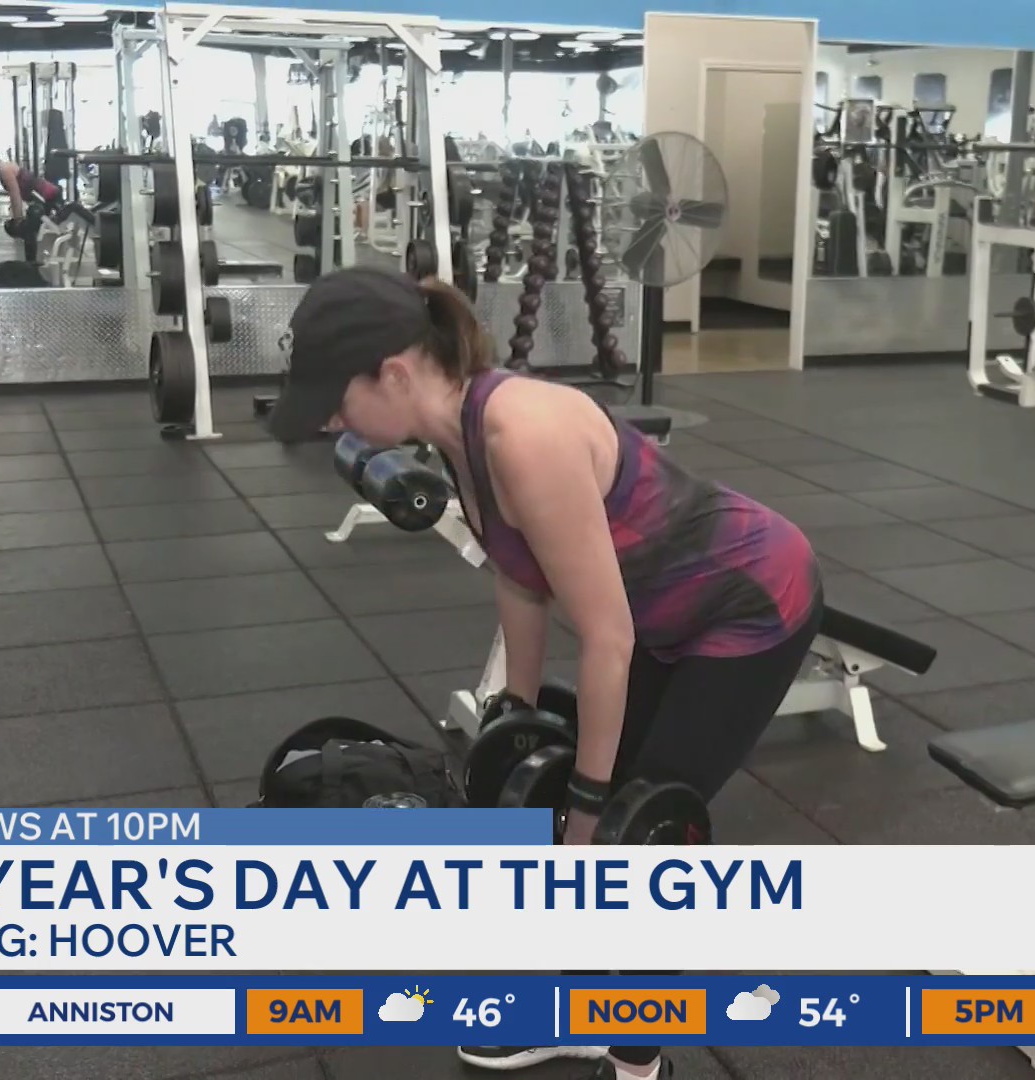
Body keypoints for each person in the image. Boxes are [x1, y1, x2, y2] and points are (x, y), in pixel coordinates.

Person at [270, 266, 824, 1080]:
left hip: (751, 608)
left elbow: (607, 641)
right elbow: (519, 573)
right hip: (670, 617)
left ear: (393, 372)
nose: (329, 420)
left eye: (336, 396)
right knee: (576, 808)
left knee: (643, 832)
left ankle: (636, 1053)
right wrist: (514, 720)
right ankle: (570, 1008)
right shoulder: (461, 433)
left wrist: (593, 808)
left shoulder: (521, 435)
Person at [0, 147, 63, 223]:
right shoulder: (1, 169)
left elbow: (15, 196)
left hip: (49, 196)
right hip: (42, 196)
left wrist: (17, 220)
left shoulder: (4, 170)